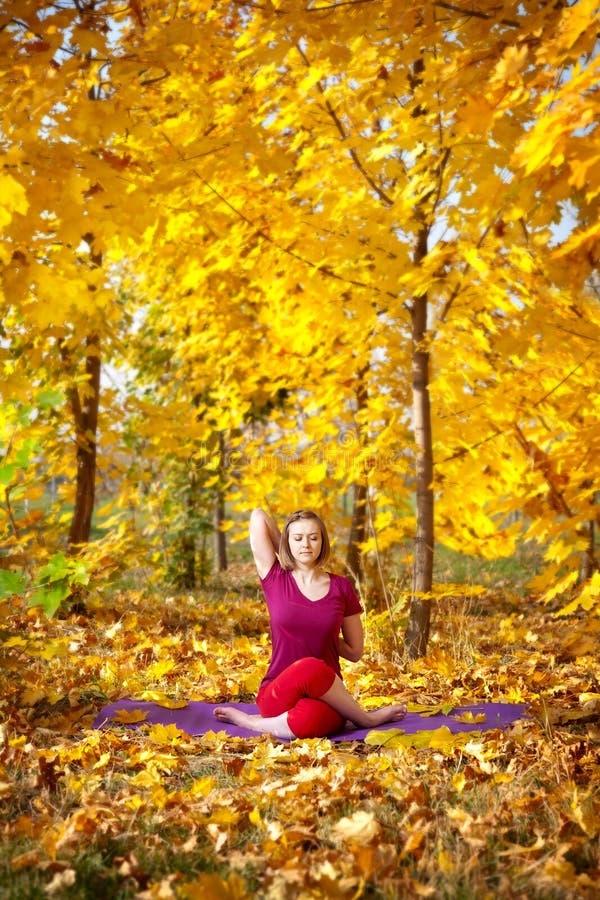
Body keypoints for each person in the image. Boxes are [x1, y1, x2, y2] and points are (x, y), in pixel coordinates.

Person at [213, 508, 406, 739]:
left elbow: (355, 652)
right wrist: (285, 550)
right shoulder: (275, 576)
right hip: (277, 693)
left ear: (323, 541)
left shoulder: (341, 587)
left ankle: (259, 724)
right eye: (298, 538)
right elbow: (257, 516)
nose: (306, 544)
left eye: (313, 537)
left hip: (328, 695)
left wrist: (321, 632)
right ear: (287, 541)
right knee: (308, 666)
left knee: (310, 719)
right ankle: (366, 719)